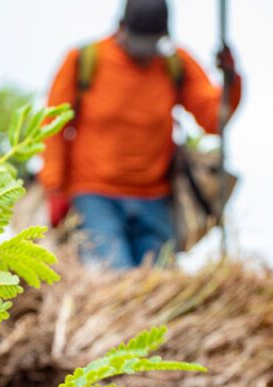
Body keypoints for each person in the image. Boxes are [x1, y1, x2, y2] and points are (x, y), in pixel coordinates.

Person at [39, 0, 243, 269]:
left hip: (155, 199)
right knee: (113, 277)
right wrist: (54, 188)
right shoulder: (84, 60)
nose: (145, 53)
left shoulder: (175, 64)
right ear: (121, 27)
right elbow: (53, 128)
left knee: (159, 281)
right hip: (94, 195)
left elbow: (214, 121)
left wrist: (231, 82)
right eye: (139, 43)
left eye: (152, 44)